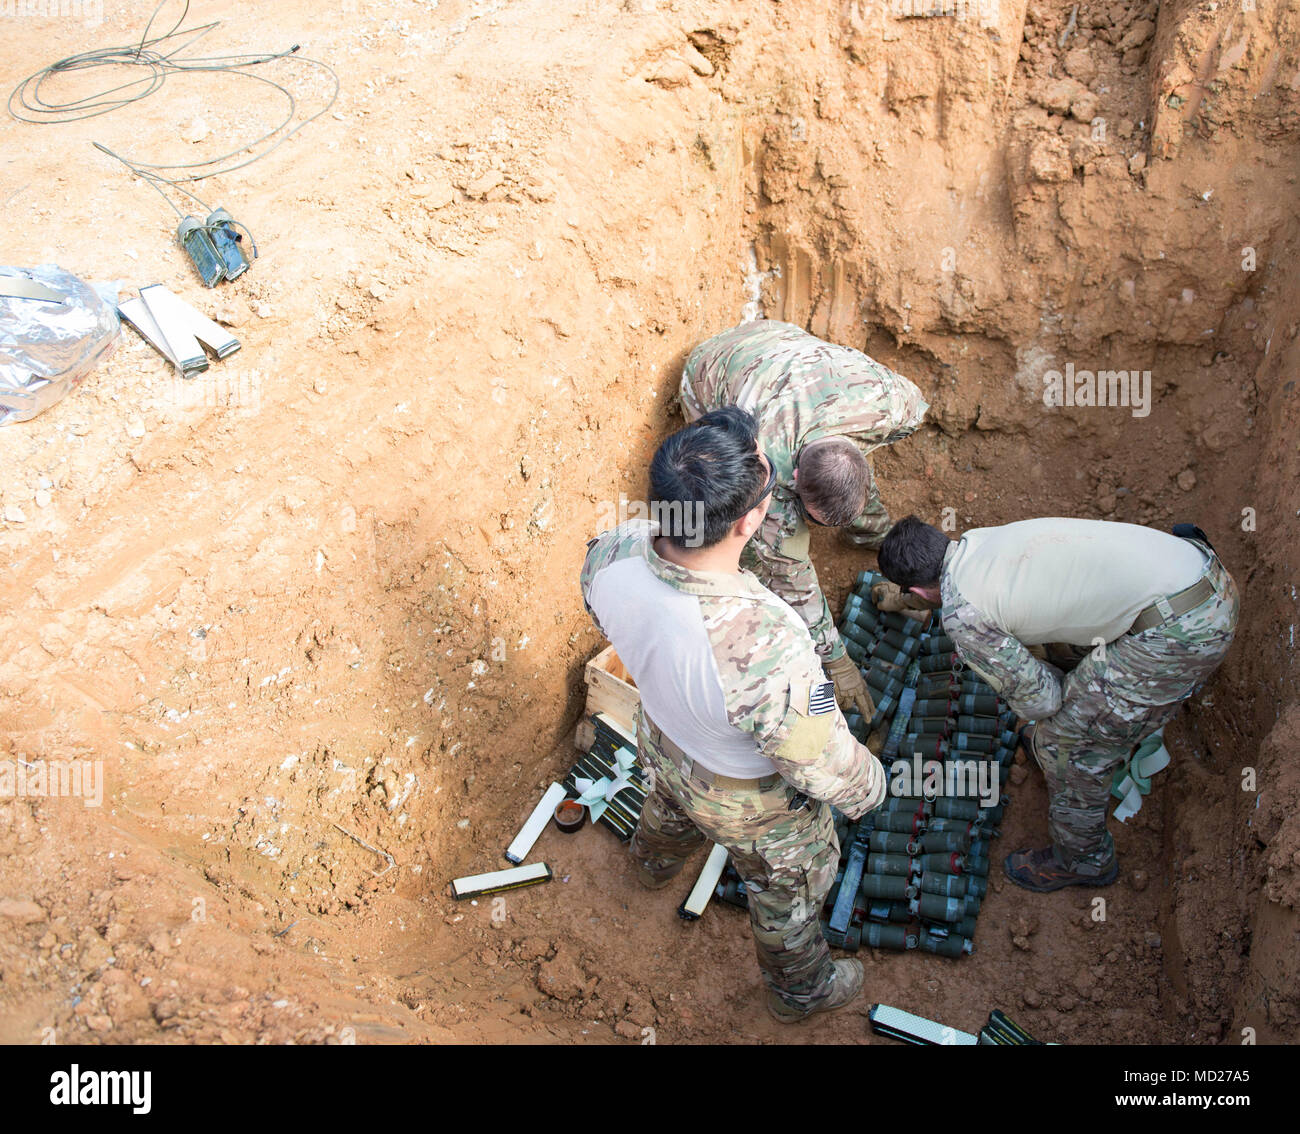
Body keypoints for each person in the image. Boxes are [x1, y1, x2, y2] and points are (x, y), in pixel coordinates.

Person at [580, 407, 885, 1021]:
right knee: (788, 894)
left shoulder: (609, 553)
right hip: (748, 800)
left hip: (664, 739)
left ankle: (650, 869)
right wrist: (870, 788)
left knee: (667, 807)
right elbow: (816, 760)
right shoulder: (766, 639)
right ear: (750, 519)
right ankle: (802, 992)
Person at [876, 515, 1239, 892]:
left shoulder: (964, 617)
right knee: (1060, 663)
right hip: (1202, 573)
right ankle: (1101, 719)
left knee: (1062, 744)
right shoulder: (976, 543)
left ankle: (1084, 862)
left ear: (918, 592)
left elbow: (1042, 702)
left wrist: (1064, 719)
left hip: (1185, 633)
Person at [679, 319, 929, 724]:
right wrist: (838, 662)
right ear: (793, 482)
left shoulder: (891, 403)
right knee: (757, 550)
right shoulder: (766, 466)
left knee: (839, 487)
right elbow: (791, 575)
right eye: (813, 518)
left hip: (777, 343)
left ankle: (871, 534)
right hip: (714, 370)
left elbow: (916, 407)